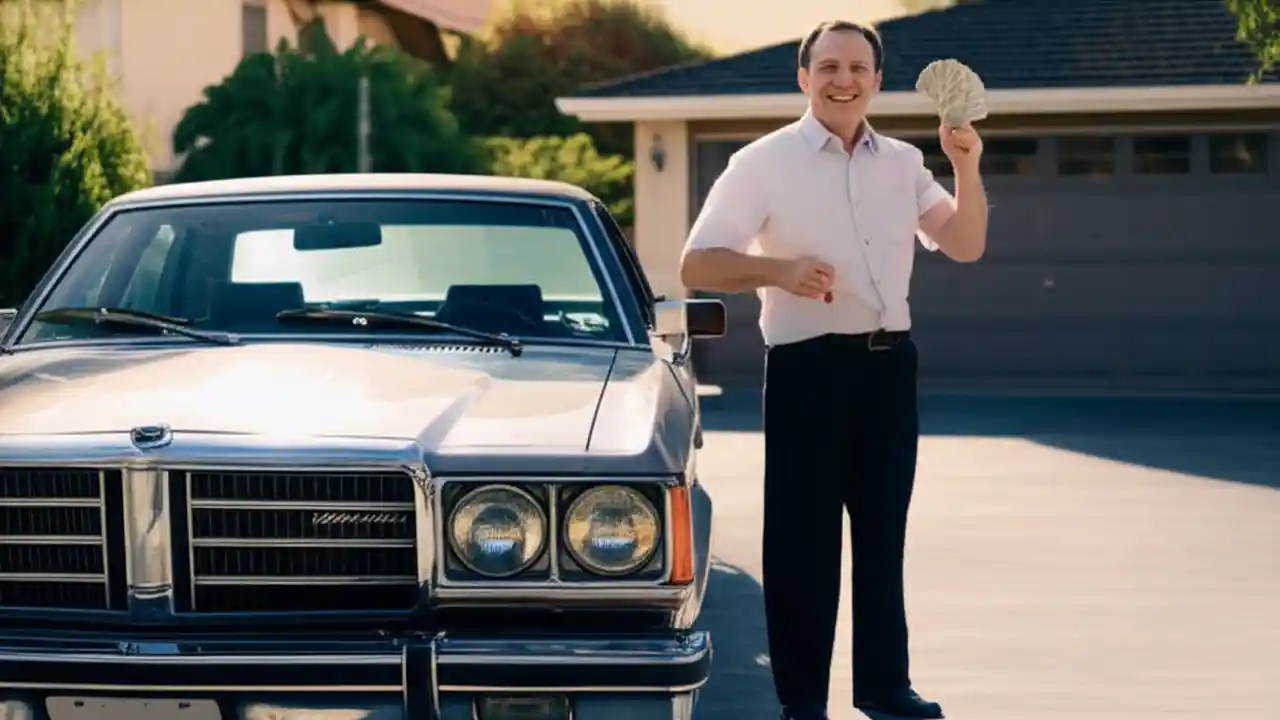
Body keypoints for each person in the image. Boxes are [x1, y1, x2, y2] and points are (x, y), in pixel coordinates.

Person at [679, 19, 988, 720]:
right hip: (807, 373)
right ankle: (802, 704)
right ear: (804, 78)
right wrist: (779, 271)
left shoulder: (904, 163)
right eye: (828, 67)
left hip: (888, 370)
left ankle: (885, 687)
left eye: (856, 68)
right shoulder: (762, 163)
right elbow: (698, 263)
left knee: (882, 536)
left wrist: (966, 165)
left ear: (877, 80)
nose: (842, 80)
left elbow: (966, 243)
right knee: (803, 547)